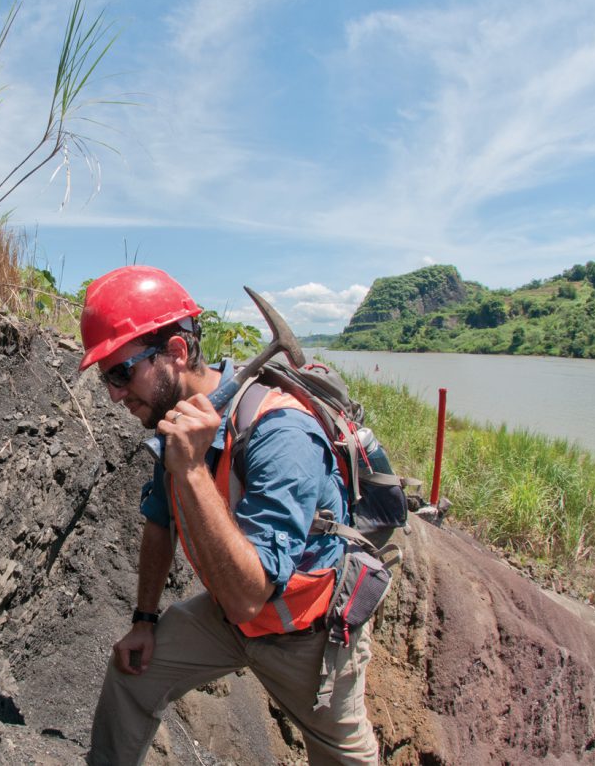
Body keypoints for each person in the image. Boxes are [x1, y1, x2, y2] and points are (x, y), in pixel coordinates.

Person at [80, 266, 378, 765]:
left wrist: (193, 468)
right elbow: (160, 520)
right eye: (105, 376)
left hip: (307, 635)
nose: (112, 393)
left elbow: (248, 596)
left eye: (120, 372)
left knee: (345, 756)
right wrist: (145, 620)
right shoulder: (177, 422)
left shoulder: (281, 435)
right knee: (131, 672)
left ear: (176, 352)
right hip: (229, 617)